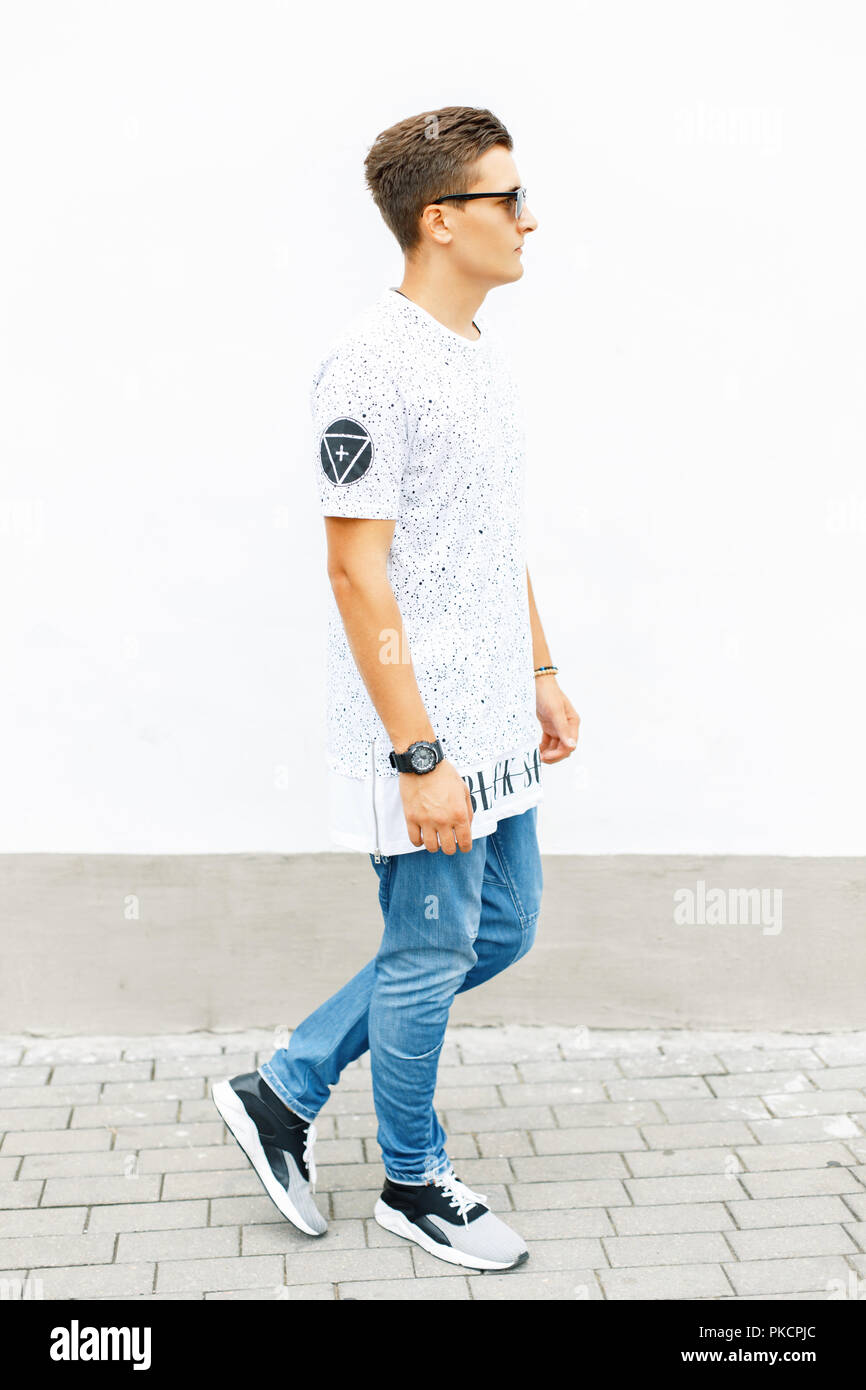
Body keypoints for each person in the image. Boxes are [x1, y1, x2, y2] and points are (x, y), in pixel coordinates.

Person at [212, 105, 581, 1273]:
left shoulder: (475, 353)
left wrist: (539, 669)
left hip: (490, 710)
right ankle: (413, 1182)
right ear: (440, 219)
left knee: (503, 926)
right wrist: (417, 755)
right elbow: (354, 566)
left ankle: (287, 1085)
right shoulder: (369, 363)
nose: (528, 218)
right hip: (418, 727)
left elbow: (484, 537)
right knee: (426, 949)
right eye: (505, 197)